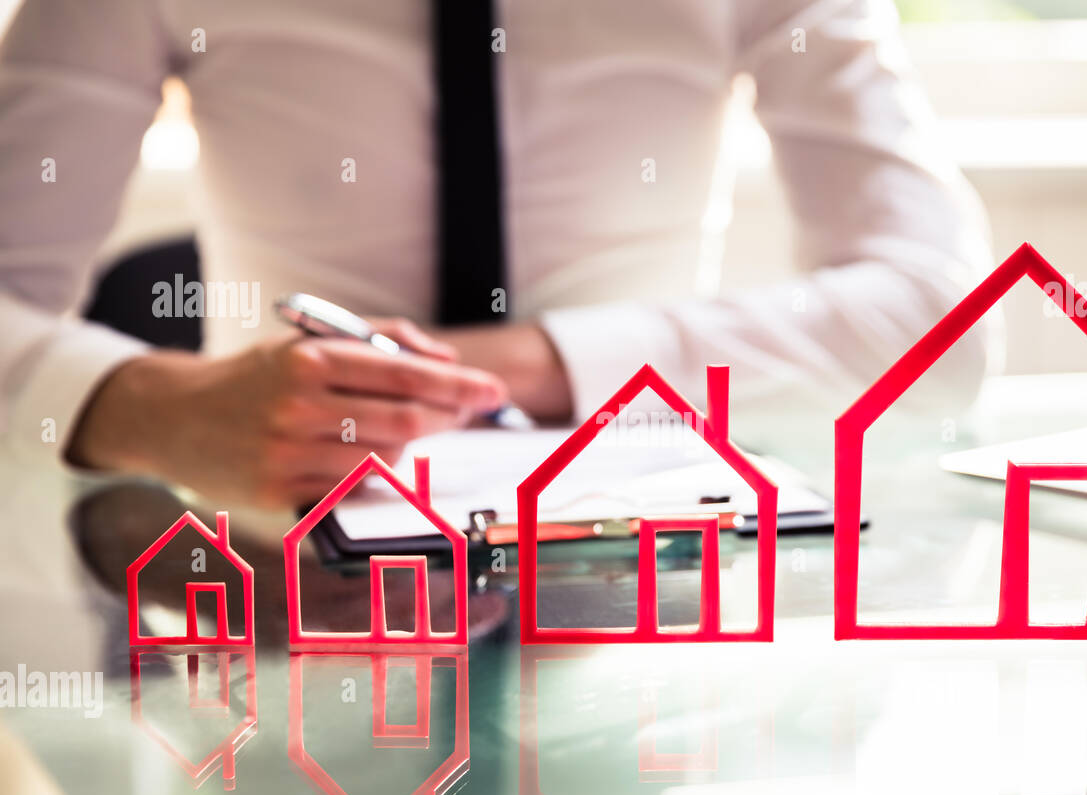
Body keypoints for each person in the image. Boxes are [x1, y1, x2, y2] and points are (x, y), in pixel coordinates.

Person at [0, 0, 992, 507]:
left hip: (643, 608)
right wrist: (152, 408)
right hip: (283, 585)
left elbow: (938, 324)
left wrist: (488, 366)